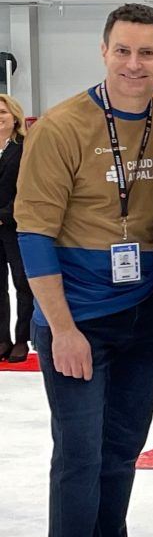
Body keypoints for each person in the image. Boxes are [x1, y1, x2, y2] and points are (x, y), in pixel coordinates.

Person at [14, 4, 153, 537]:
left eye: (147, 53)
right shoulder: (61, 128)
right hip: (76, 320)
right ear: (104, 52)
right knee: (81, 457)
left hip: (142, 316)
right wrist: (60, 328)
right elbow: (33, 234)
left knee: (120, 452)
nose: (134, 65)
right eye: (123, 51)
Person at [0, 92, 35, 362]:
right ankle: (2, 338)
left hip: (16, 226)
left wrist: (5, 215)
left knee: (23, 283)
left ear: (14, 117)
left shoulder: (25, 147)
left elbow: (28, 188)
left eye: (2, 113)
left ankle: (22, 338)